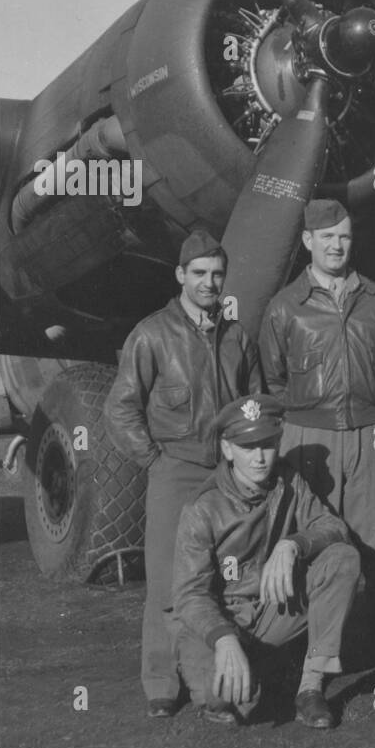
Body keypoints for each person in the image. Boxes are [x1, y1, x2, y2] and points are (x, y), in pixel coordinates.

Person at [104, 230, 263, 718]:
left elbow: (254, 405)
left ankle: (218, 673)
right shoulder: (151, 334)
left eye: (217, 274)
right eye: (199, 274)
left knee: (221, 573)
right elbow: (120, 408)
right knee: (167, 578)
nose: (209, 283)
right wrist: (154, 461)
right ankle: (160, 683)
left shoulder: (237, 336)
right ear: (180, 276)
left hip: (225, 472)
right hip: (173, 469)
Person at [260, 199, 375, 672]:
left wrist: (367, 405)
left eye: (344, 236)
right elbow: (274, 379)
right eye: (327, 238)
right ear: (308, 242)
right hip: (308, 435)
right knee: (310, 537)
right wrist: (308, 414)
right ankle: (310, 652)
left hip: (370, 432)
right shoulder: (285, 307)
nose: (337, 246)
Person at [172, 395, 360, 728]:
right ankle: (259, 667)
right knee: (232, 702)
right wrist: (224, 638)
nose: (260, 458)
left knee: (342, 559)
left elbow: (333, 527)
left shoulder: (289, 483)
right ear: (228, 450)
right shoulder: (203, 508)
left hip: (272, 608)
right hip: (223, 621)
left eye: (267, 445)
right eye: (247, 447)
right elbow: (189, 595)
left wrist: (293, 544)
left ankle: (310, 686)